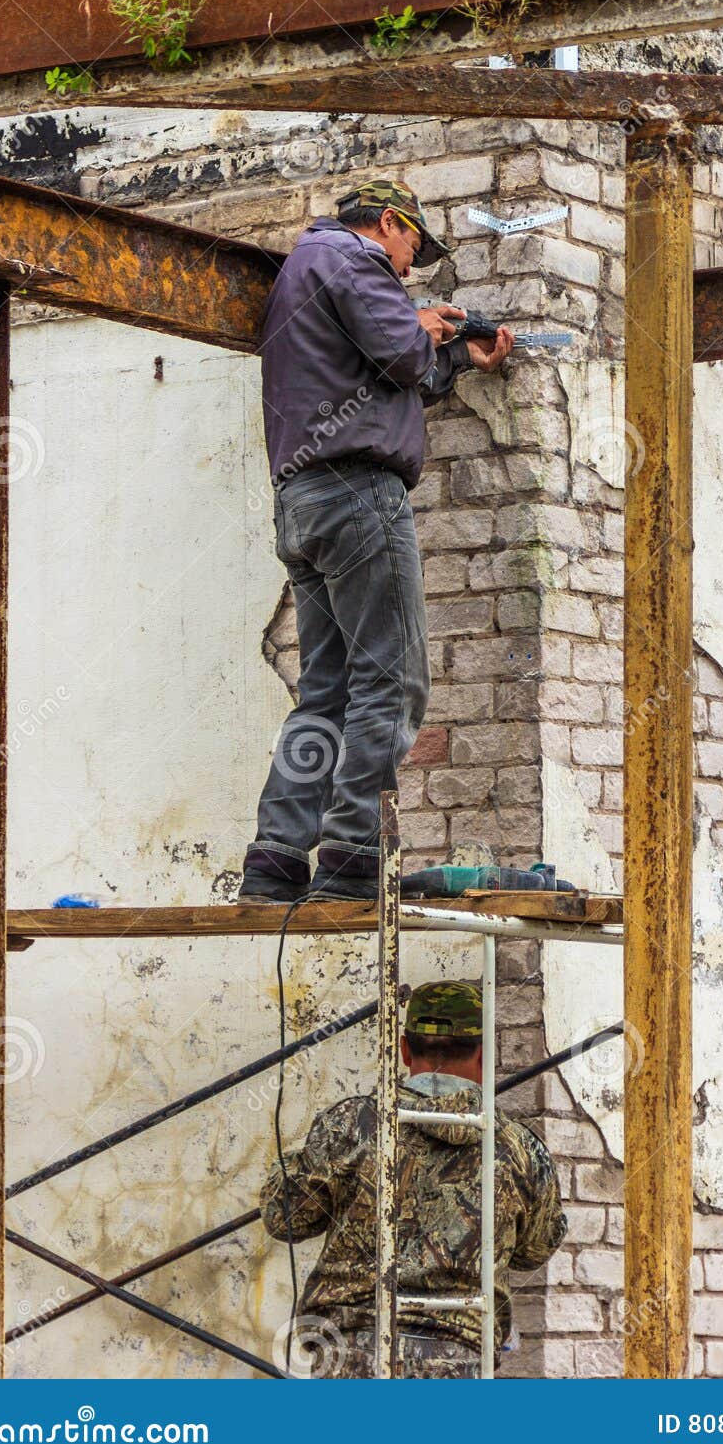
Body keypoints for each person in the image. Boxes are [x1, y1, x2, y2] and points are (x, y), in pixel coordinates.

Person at [240, 180, 514, 906]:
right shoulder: (354, 260)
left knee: (325, 692)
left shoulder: (304, 269)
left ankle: (274, 859)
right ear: (389, 224)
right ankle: (352, 856)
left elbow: (392, 375)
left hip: (302, 501)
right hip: (358, 495)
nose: (407, 269)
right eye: (411, 252)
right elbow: (399, 355)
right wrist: (422, 324)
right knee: (390, 682)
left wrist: (453, 353)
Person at [261, 980, 567, 1378]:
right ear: (484, 1054)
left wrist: (290, 1164)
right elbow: (534, 1251)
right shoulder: (520, 1148)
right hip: (461, 1363)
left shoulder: (351, 1126)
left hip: (350, 1359)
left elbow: (285, 1218)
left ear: (404, 1050)